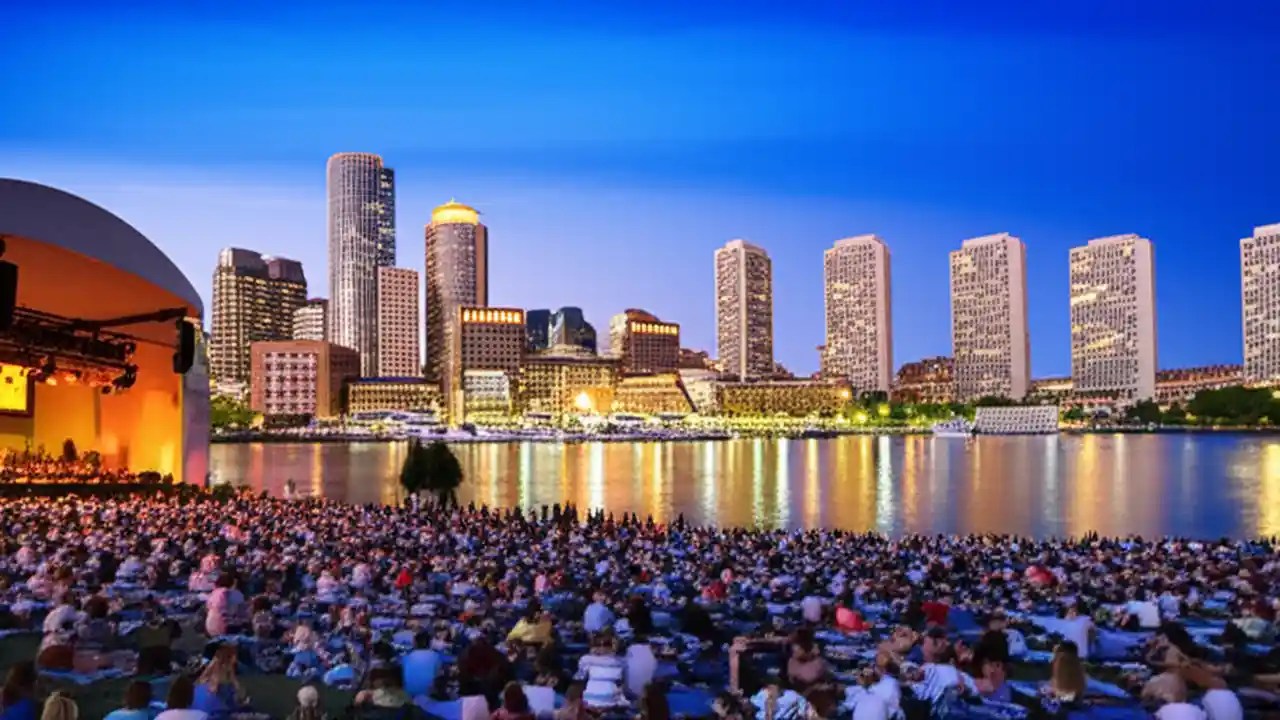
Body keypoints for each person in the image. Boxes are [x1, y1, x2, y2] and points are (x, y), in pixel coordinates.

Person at [193, 645, 247, 719]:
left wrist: (238, 688)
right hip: (216, 688)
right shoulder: (216, 663)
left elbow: (232, 677)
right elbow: (207, 675)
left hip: (225, 687)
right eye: (234, 656)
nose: (235, 658)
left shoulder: (229, 666)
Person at [402, 631, 443, 699]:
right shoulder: (435, 656)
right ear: (430, 643)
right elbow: (438, 676)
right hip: (428, 696)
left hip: (408, 695)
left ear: (415, 643)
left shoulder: (406, 656)